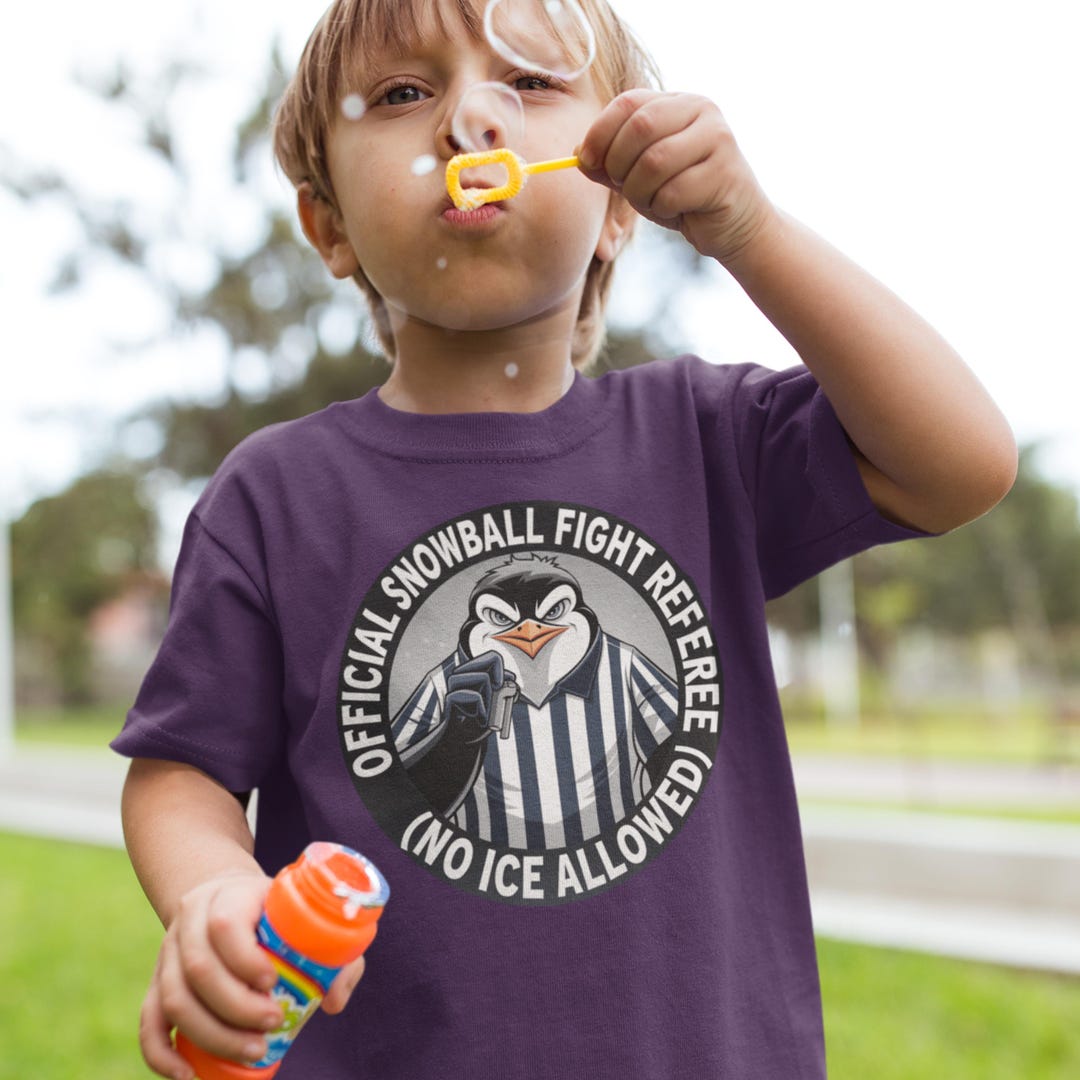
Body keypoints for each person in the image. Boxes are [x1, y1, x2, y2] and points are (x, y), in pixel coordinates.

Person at [111, 0, 1018, 1077]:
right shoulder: (276, 494)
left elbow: (962, 463)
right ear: (330, 228)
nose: (470, 122)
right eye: (404, 94)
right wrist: (216, 889)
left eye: (531, 84)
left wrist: (750, 231)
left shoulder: (708, 440)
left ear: (622, 201)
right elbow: (182, 770)